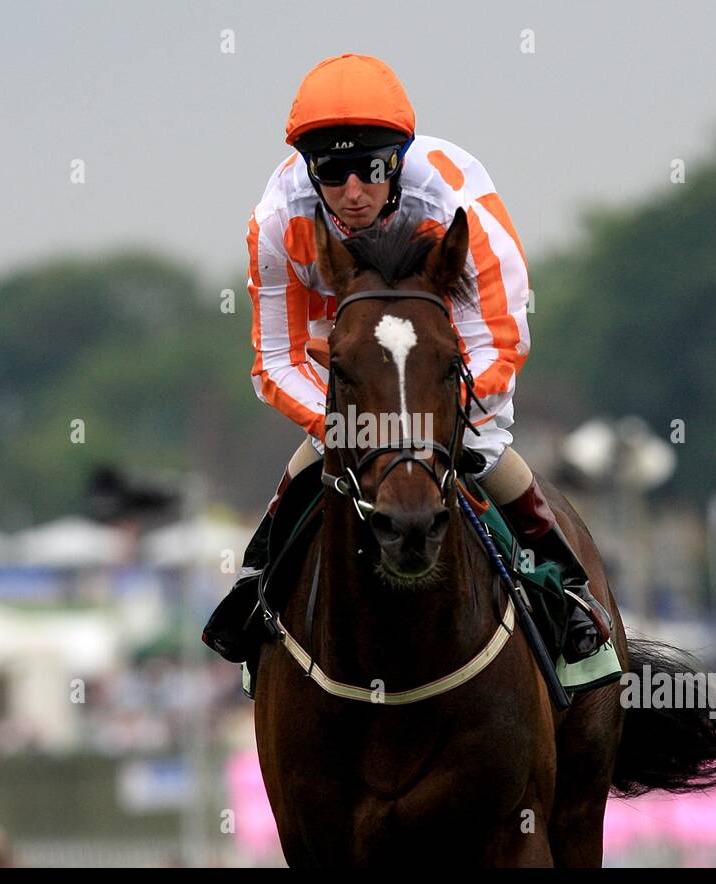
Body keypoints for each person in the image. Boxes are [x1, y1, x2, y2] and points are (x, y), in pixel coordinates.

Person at [203, 53, 604, 666]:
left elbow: (499, 336)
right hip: (348, 333)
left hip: (451, 339)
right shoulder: (278, 220)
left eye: (368, 169)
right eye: (332, 173)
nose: (352, 192)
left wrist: (440, 419)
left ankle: (568, 586)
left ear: (397, 160)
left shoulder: (449, 200)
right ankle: (255, 585)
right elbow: (277, 363)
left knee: (487, 443)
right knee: (320, 454)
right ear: (308, 169)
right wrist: (345, 425)